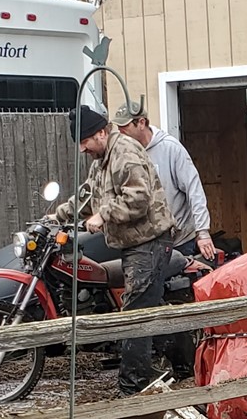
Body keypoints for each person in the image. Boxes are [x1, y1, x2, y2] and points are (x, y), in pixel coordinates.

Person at [51, 105, 176, 397]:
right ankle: (160, 369)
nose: (82, 149)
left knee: (134, 313)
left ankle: (132, 388)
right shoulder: (101, 160)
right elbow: (88, 196)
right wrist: (57, 216)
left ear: (102, 132)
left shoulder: (125, 153)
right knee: (138, 307)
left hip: (151, 241)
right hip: (133, 243)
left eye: (85, 142)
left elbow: (139, 199)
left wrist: (103, 215)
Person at [113, 102, 216, 261]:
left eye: (124, 126)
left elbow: (194, 190)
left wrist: (202, 232)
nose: (120, 132)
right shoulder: (123, 154)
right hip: (144, 244)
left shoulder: (170, 148)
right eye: (118, 127)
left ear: (141, 123)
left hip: (178, 241)